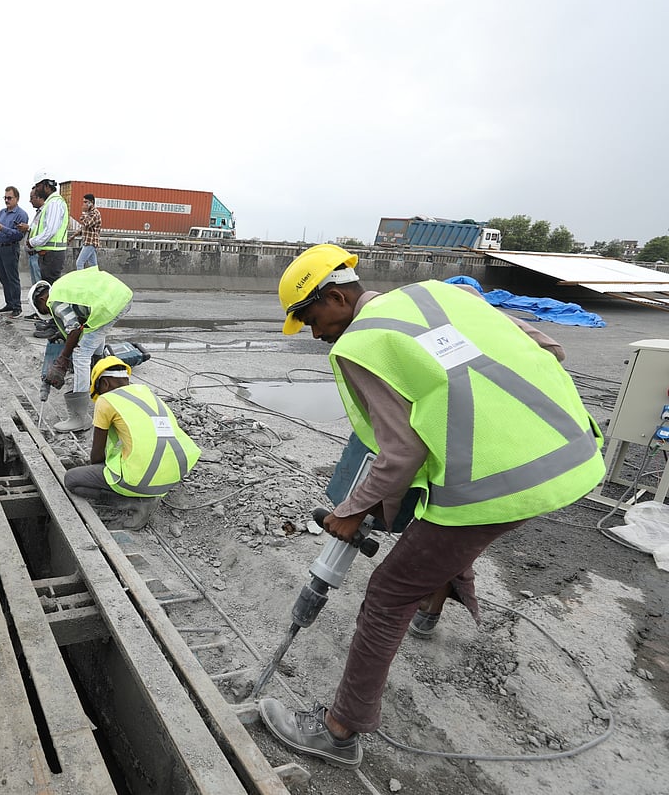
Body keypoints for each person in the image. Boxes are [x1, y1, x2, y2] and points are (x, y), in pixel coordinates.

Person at [258, 244, 605, 769]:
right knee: (433, 531)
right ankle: (431, 607)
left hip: (497, 482)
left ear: (336, 298)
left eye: (310, 318)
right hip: (571, 454)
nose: (314, 333)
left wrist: (350, 511)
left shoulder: (363, 343)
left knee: (387, 592)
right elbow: (549, 348)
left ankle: (339, 731)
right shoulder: (444, 295)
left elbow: (400, 455)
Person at [65, 356, 200, 529]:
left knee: (72, 480)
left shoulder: (106, 400)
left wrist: (96, 471)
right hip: (173, 475)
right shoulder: (148, 394)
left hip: (143, 480)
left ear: (104, 384)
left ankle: (135, 502)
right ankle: (144, 494)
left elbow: (97, 456)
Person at [30, 268, 133, 432]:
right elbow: (81, 322)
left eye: (43, 310)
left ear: (42, 299)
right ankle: (100, 381)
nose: (48, 312)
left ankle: (80, 418)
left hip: (110, 304)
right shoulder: (62, 288)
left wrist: (62, 360)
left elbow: (75, 329)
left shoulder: (54, 300)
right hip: (119, 296)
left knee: (80, 354)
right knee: (94, 334)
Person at [0, 186, 29, 317]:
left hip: (11, 247)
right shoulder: (1, 213)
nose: (7, 200)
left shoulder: (21, 214)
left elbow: (19, 235)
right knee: (3, 277)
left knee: (12, 278)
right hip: (0, 247)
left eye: (9, 198)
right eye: (5, 198)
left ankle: (17, 306)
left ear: (17, 198)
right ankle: (9, 303)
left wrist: (3, 228)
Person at [25, 172, 69, 285]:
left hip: (52, 255)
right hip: (49, 254)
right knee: (46, 288)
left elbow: (50, 231)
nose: (36, 190)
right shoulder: (50, 203)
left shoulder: (54, 203)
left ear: (46, 186)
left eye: (38, 186)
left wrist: (32, 242)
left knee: (48, 289)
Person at [19, 188, 46, 317]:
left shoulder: (44, 212)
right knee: (36, 286)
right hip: (32, 254)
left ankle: (41, 312)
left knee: (40, 286)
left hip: (37, 254)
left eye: (32, 198)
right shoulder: (38, 213)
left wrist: (28, 228)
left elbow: (43, 232)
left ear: (39, 197)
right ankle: (37, 312)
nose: (30, 201)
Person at [69, 193, 102, 270]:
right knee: (93, 265)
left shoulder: (95, 213)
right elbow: (83, 228)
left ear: (91, 202)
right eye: (84, 202)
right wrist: (73, 236)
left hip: (90, 242)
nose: (84, 204)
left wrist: (83, 213)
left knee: (79, 263)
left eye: (86, 202)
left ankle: (80, 278)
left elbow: (87, 223)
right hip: (88, 242)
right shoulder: (89, 213)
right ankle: (96, 276)